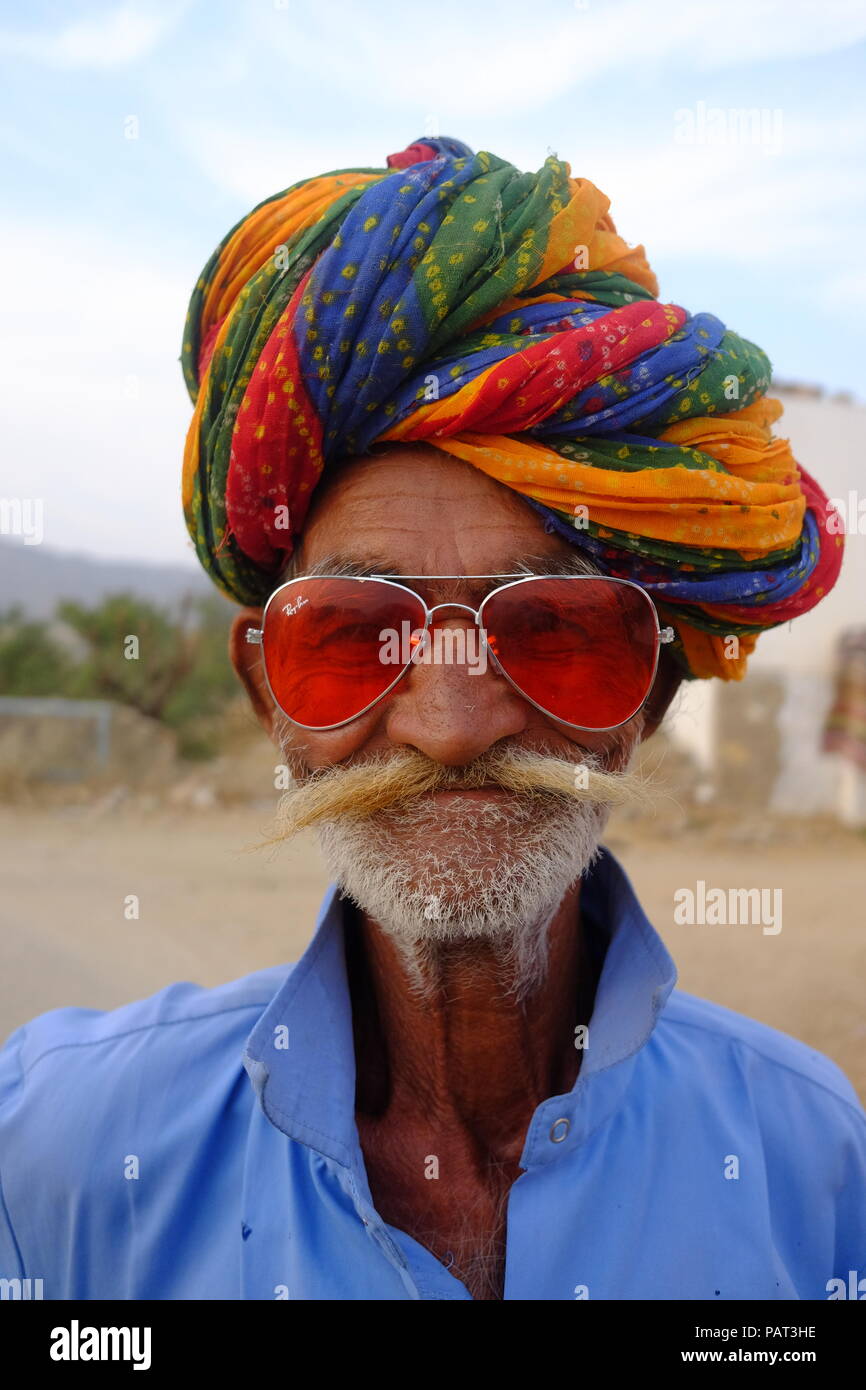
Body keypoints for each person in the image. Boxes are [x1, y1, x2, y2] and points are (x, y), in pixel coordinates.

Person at [1, 137, 862, 1302]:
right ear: (270, 696)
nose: (450, 724)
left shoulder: (809, 1165)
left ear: (644, 697)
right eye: (355, 633)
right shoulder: (59, 1152)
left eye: (550, 627)